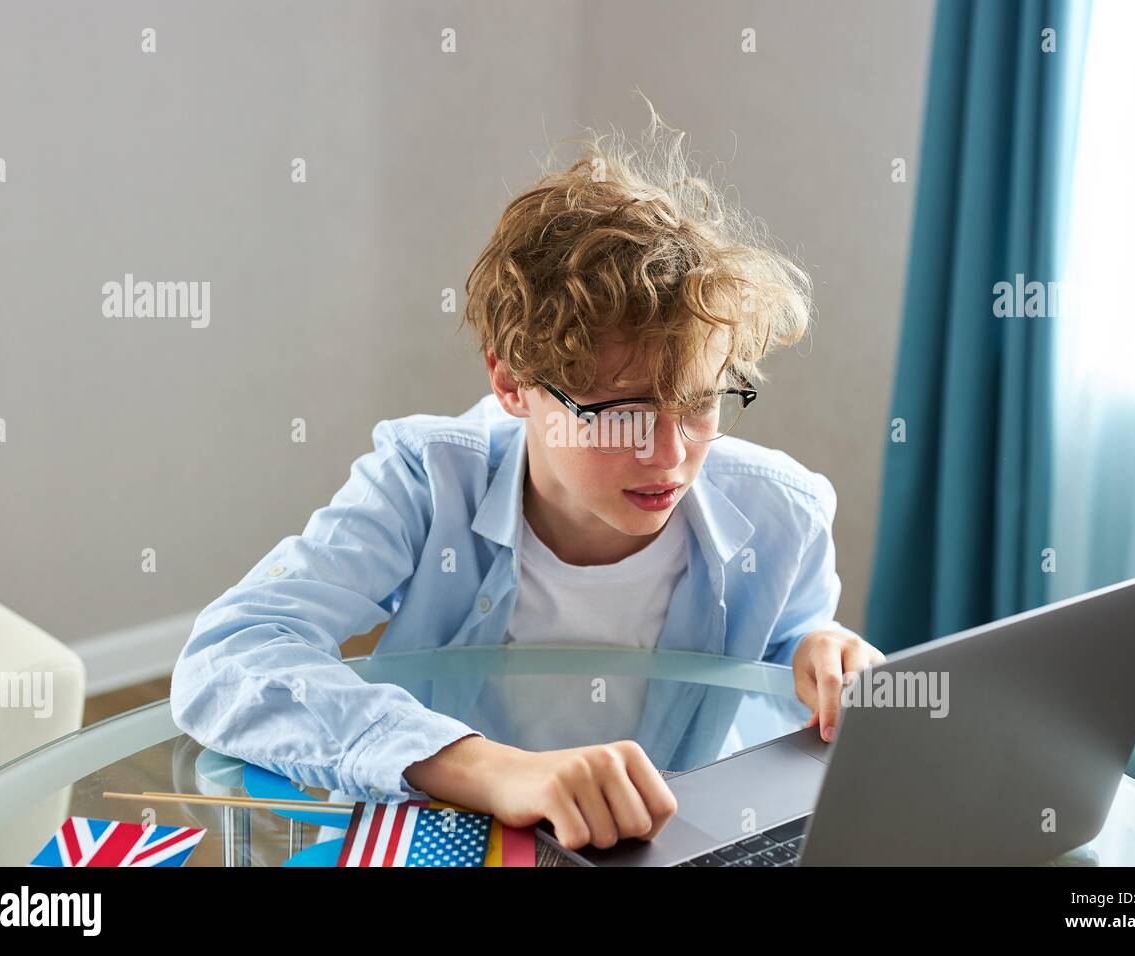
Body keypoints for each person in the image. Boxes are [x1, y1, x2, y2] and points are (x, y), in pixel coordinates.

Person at [170, 98, 885, 853]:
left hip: (662, 848)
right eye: (621, 414)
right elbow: (229, 657)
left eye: (702, 403)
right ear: (513, 384)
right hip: (453, 840)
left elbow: (780, 662)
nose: (671, 457)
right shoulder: (427, 482)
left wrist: (816, 649)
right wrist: (495, 771)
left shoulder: (783, 516)